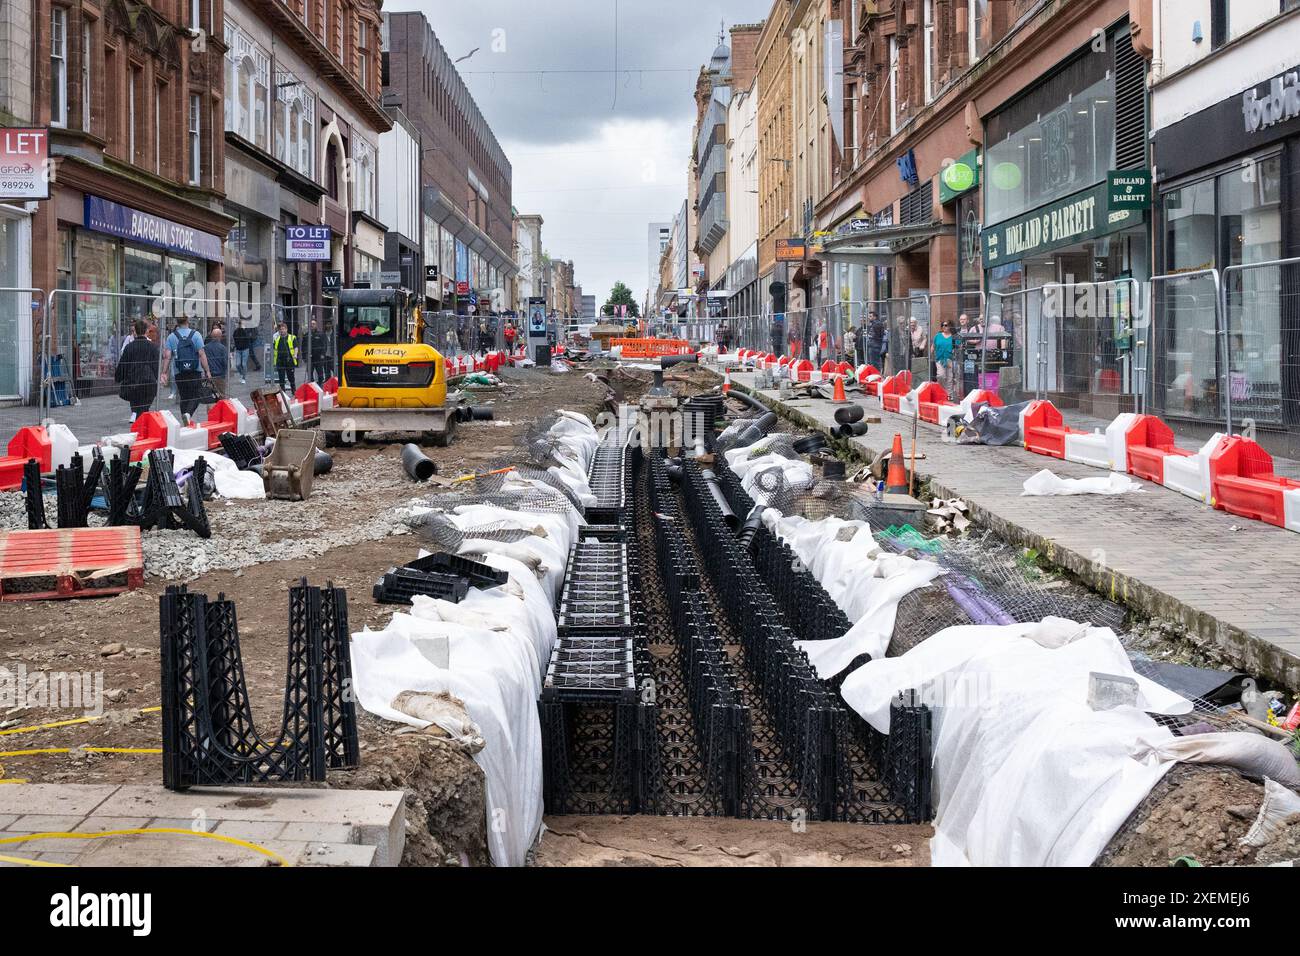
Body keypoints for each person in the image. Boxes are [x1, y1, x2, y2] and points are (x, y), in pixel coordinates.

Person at [161, 315, 211, 425]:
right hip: (195, 371)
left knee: (184, 397)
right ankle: (188, 414)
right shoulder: (196, 335)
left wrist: (164, 372)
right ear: (187, 320)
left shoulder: (172, 337)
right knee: (196, 395)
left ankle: (185, 419)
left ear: (177, 322)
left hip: (179, 372)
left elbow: (167, 356)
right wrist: (207, 370)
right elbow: (202, 354)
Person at [115, 320, 160, 424]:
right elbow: (156, 365)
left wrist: (118, 377)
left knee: (137, 406)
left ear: (135, 331)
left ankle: (139, 423)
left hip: (133, 383)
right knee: (144, 408)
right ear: (146, 331)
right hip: (149, 382)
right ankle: (141, 426)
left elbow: (123, 365)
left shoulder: (129, 347)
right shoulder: (152, 347)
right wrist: (157, 377)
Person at [272, 321, 299, 392]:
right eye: (280, 329)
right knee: (281, 378)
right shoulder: (277, 339)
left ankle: (293, 390)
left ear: (286, 329)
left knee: (291, 377)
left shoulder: (292, 337)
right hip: (280, 361)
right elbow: (274, 349)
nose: (282, 330)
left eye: (283, 329)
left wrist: (295, 354)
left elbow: (296, 347)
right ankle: (283, 392)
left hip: (289, 360)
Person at [933, 320, 958, 395]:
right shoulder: (938, 336)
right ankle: (942, 393)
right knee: (941, 376)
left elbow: (958, 348)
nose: (944, 327)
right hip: (940, 359)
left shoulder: (954, 336)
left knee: (950, 379)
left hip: (950, 359)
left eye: (946, 325)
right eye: (942, 325)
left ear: (950, 326)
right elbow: (933, 346)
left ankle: (949, 397)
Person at [204, 325, 229, 400]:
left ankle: (212, 411)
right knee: (221, 397)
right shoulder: (223, 348)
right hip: (220, 376)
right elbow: (225, 363)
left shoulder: (206, 347)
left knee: (210, 398)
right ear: (220, 336)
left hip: (209, 376)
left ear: (211, 336)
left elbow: (203, 361)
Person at [305, 319, 330, 385]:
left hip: (319, 357)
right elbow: (303, 346)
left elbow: (324, 345)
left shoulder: (321, 334)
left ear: (316, 325)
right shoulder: (306, 335)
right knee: (309, 371)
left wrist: (323, 354)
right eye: (311, 324)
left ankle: (320, 383)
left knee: (320, 372)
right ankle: (313, 384)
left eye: (313, 324)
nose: (312, 325)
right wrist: (304, 356)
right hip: (310, 357)